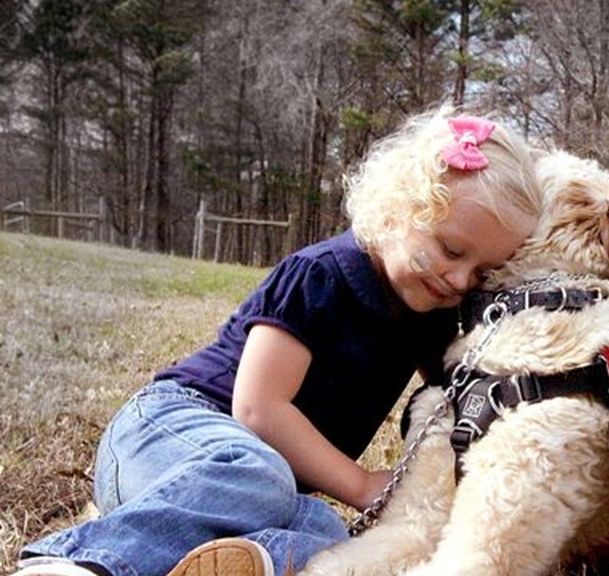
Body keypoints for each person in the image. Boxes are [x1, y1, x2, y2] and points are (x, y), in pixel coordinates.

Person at [12, 107, 542, 576]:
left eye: (482, 274)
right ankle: (78, 562)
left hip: (258, 493)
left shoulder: (431, 313)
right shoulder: (323, 275)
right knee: (259, 475)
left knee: (328, 536)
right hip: (172, 433)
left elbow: (457, 397)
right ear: (401, 208)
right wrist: (359, 484)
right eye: (451, 250)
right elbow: (258, 409)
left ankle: (240, 564)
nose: (458, 280)